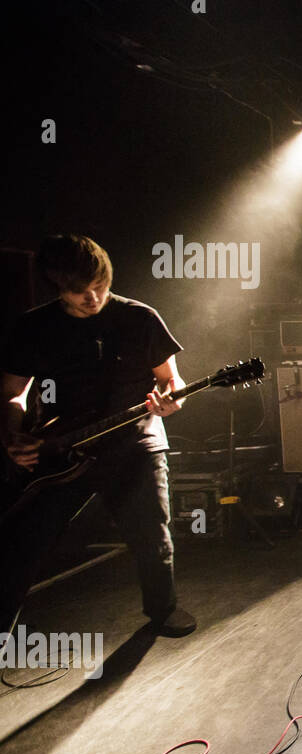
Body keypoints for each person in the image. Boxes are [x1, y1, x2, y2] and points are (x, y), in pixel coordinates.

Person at [1, 234, 195, 637]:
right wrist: (10, 434)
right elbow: (12, 393)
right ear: (57, 288)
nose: (93, 297)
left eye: (100, 286)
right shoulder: (34, 327)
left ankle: (163, 611)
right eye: (79, 291)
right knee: (22, 540)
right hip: (61, 448)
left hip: (135, 440)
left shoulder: (139, 317)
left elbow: (171, 380)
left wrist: (171, 401)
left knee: (152, 534)